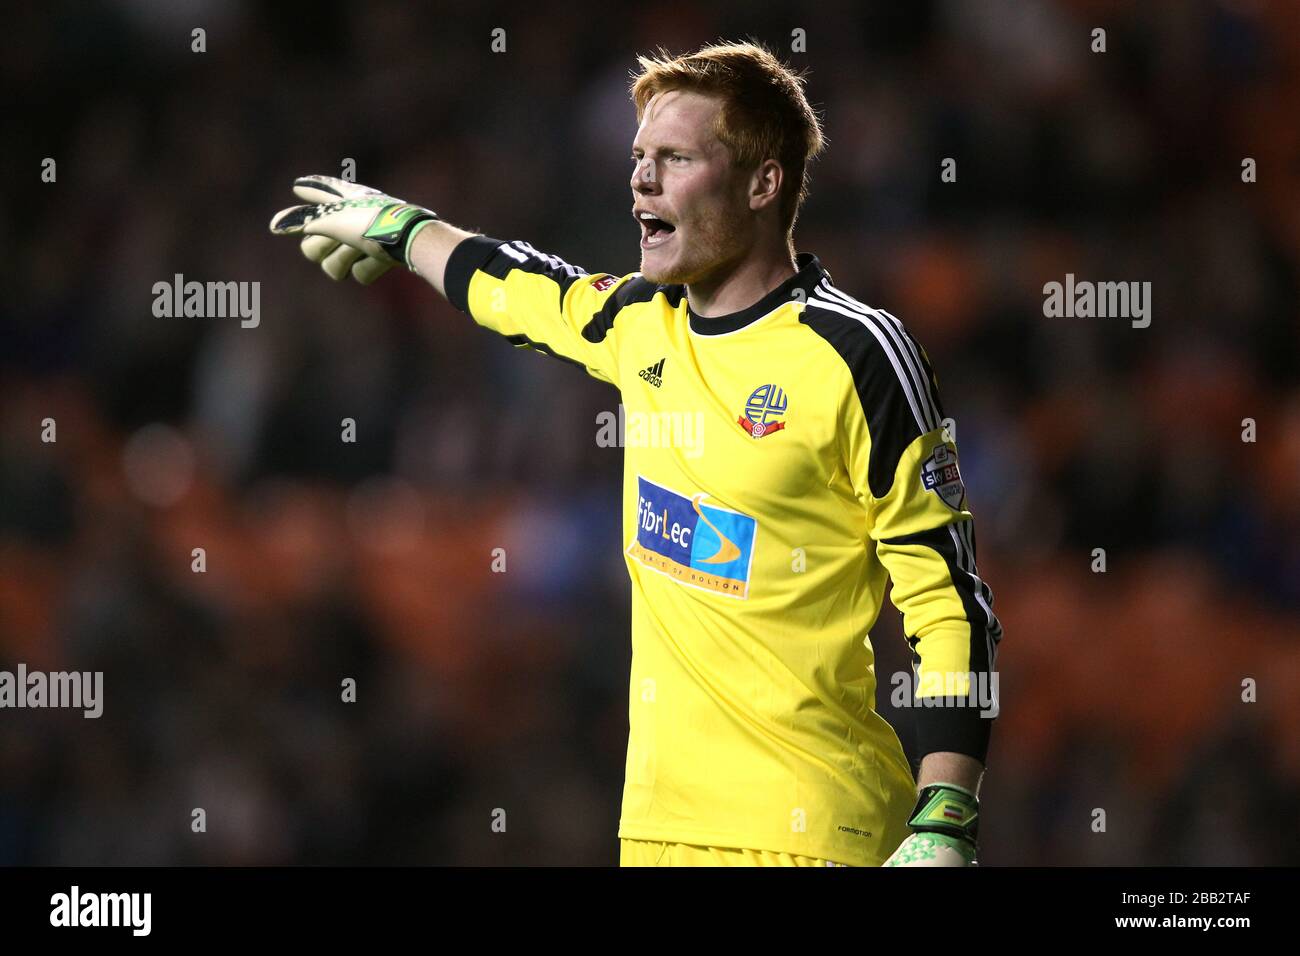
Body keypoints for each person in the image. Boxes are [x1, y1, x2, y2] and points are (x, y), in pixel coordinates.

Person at [269, 39, 1001, 868]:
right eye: (639, 158)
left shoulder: (856, 353)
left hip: (809, 829)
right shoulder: (638, 322)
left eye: (676, 158)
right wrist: (402, 229)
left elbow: (948, 600)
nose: (641, 181)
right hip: (653, 833)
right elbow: (515, 286)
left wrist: (945, 814)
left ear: (764, 184)